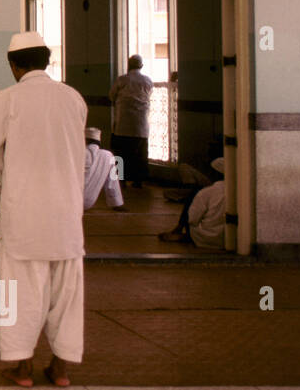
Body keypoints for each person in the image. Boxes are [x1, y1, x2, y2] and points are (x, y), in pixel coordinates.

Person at [0, 31, 87, 388]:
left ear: (13, 66)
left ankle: (22, 368)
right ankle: (60, 370)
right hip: (66, 213)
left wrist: (18, 171)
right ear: (47, 61)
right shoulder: (73, 98)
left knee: (21, 291)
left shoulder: (6, 100)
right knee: (67, 293)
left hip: (24, 212)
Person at [159, 157, 226, 248]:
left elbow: (192, 219)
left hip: (205, 238)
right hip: (228, 238)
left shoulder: (205, 193)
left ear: (214, 174)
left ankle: (184, 235)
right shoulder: (241, 194)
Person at [109, 55, 153, 188]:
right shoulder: (147, 81)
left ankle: (120, 180)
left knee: (121, 154)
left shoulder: (122, 80)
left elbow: (112, 96)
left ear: (128, 65)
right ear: (141, 66)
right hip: (141, 125)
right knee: (139, 155)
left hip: (123, 124)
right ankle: (138, 181)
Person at [83, 126, 124, 211]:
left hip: (71, 201)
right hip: (88, 203)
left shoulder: (81, 153)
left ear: (85, 140)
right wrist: (116, 203)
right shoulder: (108, 156)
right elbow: (112, 181)